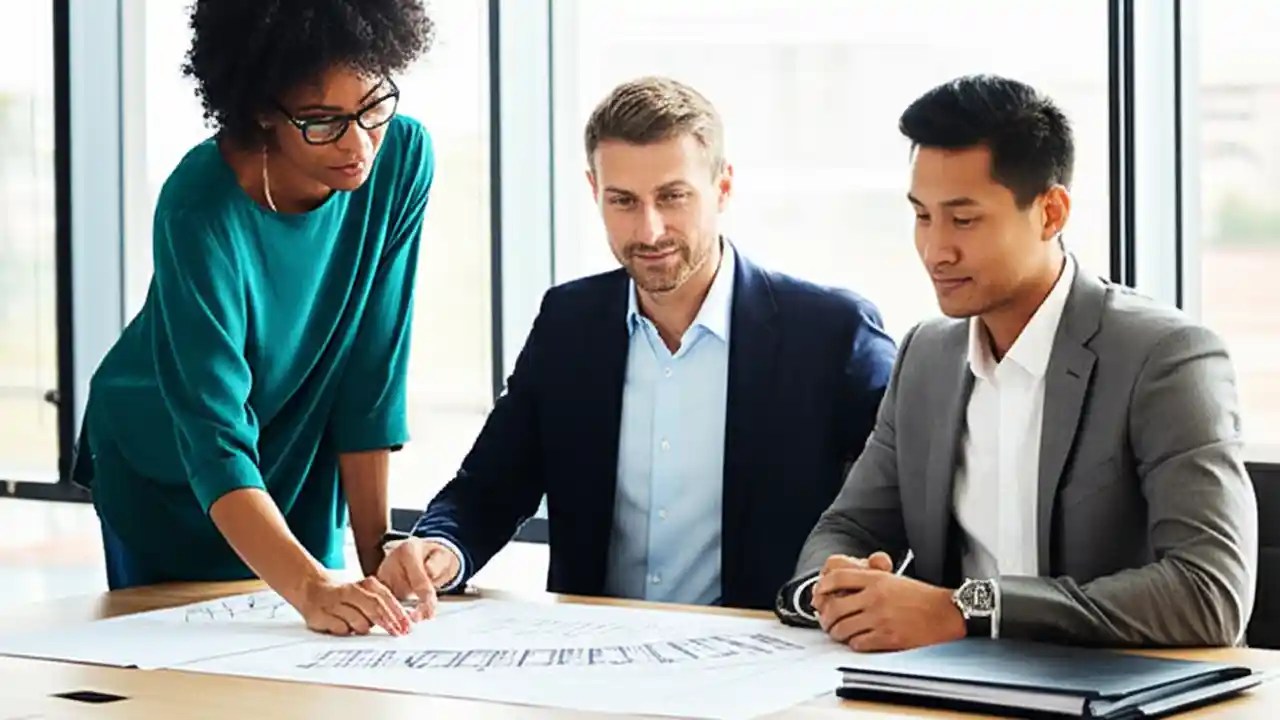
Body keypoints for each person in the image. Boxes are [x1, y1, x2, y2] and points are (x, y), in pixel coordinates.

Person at [774, 74, 1258, 650]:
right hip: (945, 691)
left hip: (1108, 693)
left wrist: (970, 609)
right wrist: (836, 589)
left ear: (1050, 213)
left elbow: (1209, 592)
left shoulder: (1167, 358)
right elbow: (848, 527)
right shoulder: (926, 355)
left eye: (964, 219)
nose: (935, 250)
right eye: (922, 216)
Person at [377, 76, 897, 612]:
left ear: (723, 188)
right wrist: (439, 548)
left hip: (766, 655)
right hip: (596, 658)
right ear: (593, 190)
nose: (649, 231)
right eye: (622, 201)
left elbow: (897, 506)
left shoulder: (831, 334)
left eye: (673, 197)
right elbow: (490, 486)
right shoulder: (568, 324)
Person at [71, 0, 437, 638]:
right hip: (172, 465)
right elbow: (213, 437)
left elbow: (371, 372)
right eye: (322, 122)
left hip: (298, 446)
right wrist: (308, 584)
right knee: (180, 682)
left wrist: (377, 553)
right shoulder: (199, 208)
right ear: (264, 111)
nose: (358, 145)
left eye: (373, 107)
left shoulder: (401, 158)